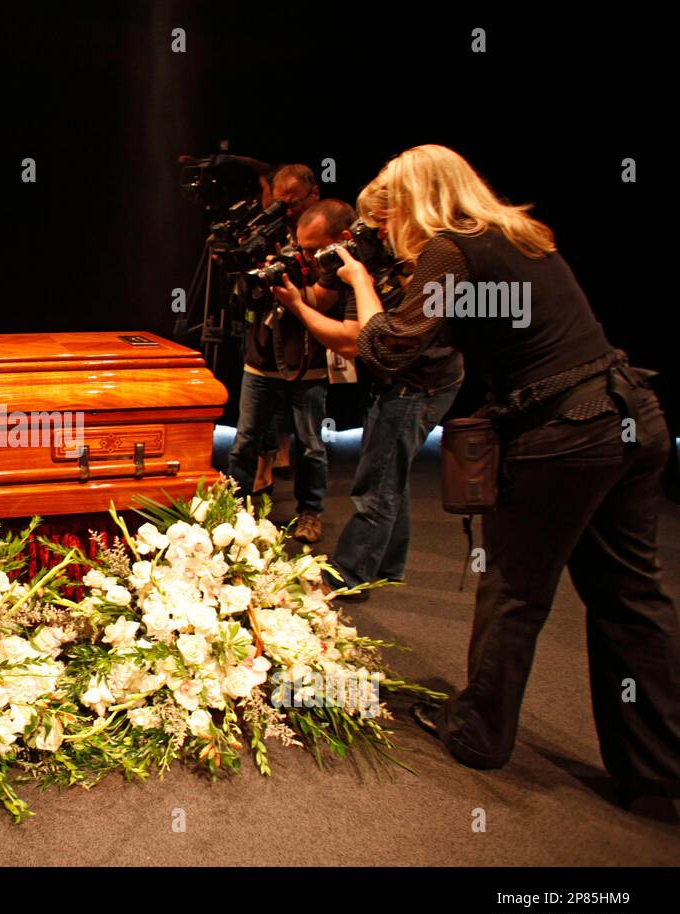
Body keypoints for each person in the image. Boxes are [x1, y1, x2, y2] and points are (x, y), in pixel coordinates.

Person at [335, 145, 680, 805]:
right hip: (632, 416)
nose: (384, 234)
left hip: (568, 431)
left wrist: (360, 284)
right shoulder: (518, 236)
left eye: (386, 219)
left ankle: (478, 734)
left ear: (413, 203)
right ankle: (657, 769)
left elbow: (392, 348)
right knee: (633, 598)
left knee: (514, 592)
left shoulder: (448, 246)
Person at [274, 200, 463, 598]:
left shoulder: (378, 266)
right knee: (392, 476)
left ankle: (348, 577)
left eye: (315, 249)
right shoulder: (374, 261)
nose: (310, 259)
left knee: (375, 484)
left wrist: (294, 305)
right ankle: (388, 565)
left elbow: (351, 343)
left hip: (416, 385)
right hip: (415, 381)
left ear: (344, 240)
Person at [226, 173, 337, 544]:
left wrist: (292, 294)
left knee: (311, 445)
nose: (285, 208)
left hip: (308, 360)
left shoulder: (326, 237)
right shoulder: (265, 232)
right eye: (279, 200)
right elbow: (244, 295)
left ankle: (310, 512)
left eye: (293, 200)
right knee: (245, 440)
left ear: (313, 194)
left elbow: (327, 298)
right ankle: (234, 513)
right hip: (261, 356)